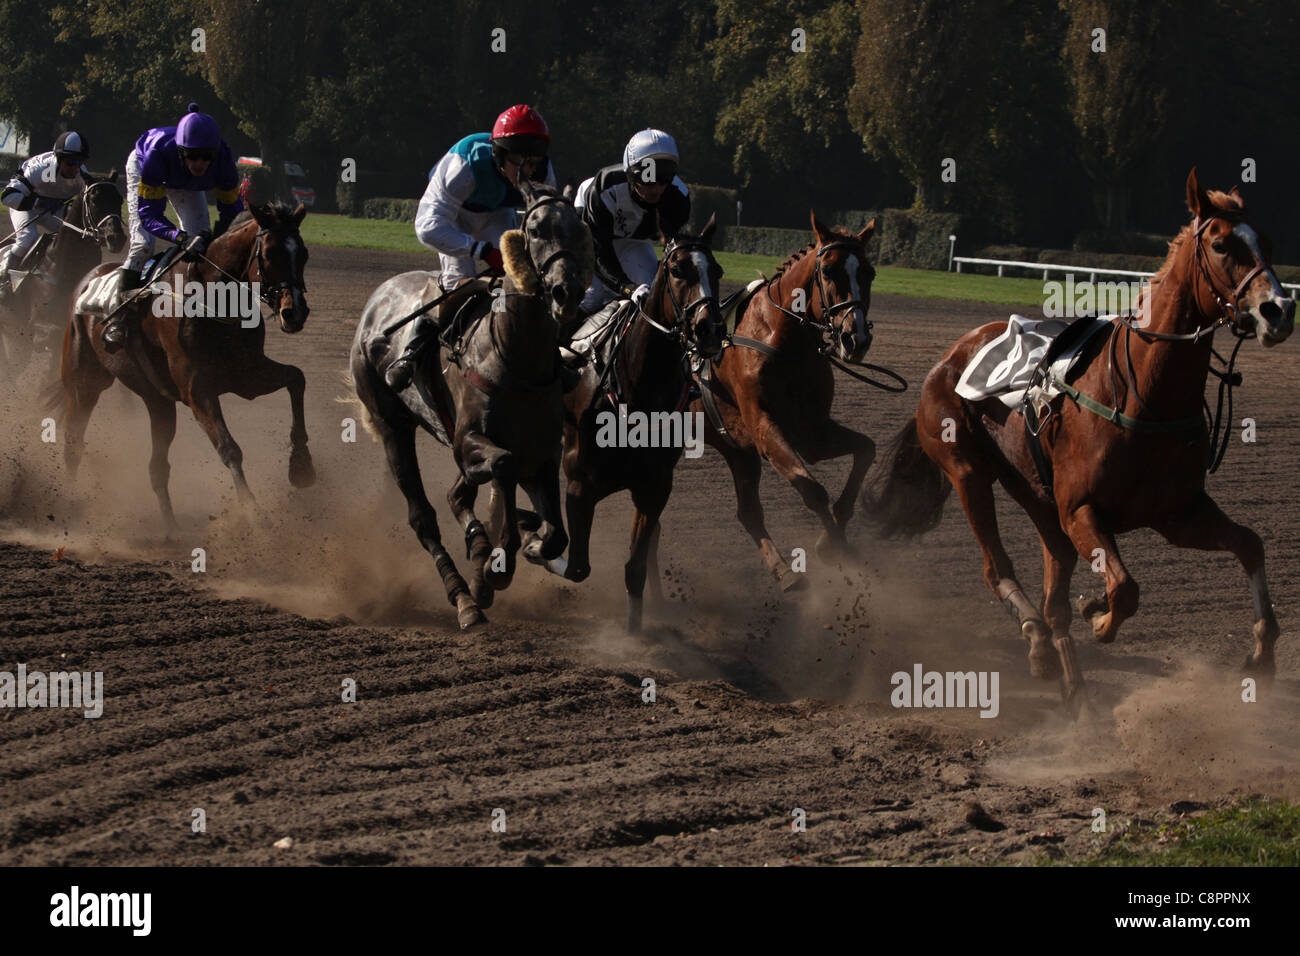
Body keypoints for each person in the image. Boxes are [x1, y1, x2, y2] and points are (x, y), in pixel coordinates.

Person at [384, 104, 556, 390]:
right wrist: (481, 251)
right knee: (459, 282)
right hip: (454, 218)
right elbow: (427, 226)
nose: (528, 170)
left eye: (534, 160)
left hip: (497, 214)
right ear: (499, 154)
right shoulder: (463, 165)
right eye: (519, 160)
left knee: (522, 282)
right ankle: (412, 352)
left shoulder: (543, 172)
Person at [101, 103, 243, 350]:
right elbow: (149, 215)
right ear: (181, 152)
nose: (200, 163)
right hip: (147, 166)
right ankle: (118, 317)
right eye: (192, 156)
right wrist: (180, 238)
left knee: (204, 242)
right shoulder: (158, 155)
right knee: (143, 244)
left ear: (215, 153)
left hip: (183, 180)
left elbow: (232, 212)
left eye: (206, 157)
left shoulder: (224, 160)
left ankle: (205, 310)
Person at [573, 128, 691, 322]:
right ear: (630, 173)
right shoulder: (605, 188)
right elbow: (599, 253)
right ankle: (560, 346)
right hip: (591, 236)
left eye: (664, 179)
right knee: (591, 296)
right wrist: (626, 287)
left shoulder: (678, 198)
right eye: (647, 176)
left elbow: (671, 252)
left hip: (633, 240)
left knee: (651, 293)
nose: (655, 188)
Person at [0, 131, 92, 304]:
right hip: (25, 204)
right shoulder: (39, 168)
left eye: (79, 163)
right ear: (58, 158)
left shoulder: (83, 176)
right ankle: (4, 282)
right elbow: (8, 197)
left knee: (72, 237)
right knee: (28, 237)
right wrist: (37, 202)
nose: (75, 168)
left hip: (53, 208)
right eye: (70, 162)